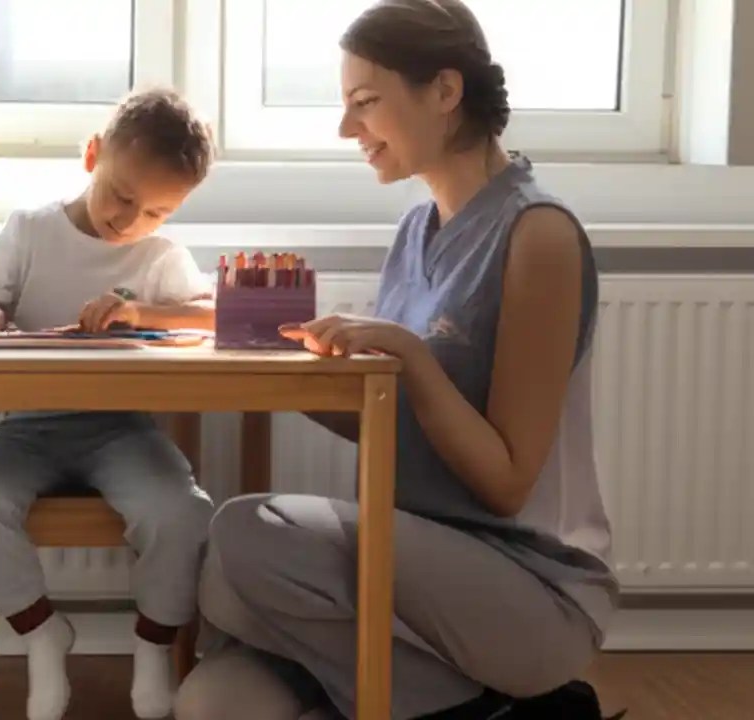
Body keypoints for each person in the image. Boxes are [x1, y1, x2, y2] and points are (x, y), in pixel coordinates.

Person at [175, 1, 623, 719]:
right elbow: (400, 419)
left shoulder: (538, 234)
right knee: (214, 697)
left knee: (244, 531)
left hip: (528, 583)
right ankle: (472, 707)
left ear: (445, 93)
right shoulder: (416, 229)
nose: (347, 128)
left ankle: (498, 700)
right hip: (417, 570)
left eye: (365, 103)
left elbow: (506, 483)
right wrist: (287, 367)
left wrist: (410, 355)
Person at [0, 87, 218, 720]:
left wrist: (143, 309)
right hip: (18, 426)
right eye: (122, 196)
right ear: (93, 155)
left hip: (120, 431)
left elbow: (213, 317)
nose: (131, 221)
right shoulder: (30, 230)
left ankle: (153, 645)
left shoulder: (159, 256)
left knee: (181, 512)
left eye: (157, 211)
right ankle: (41, 631)